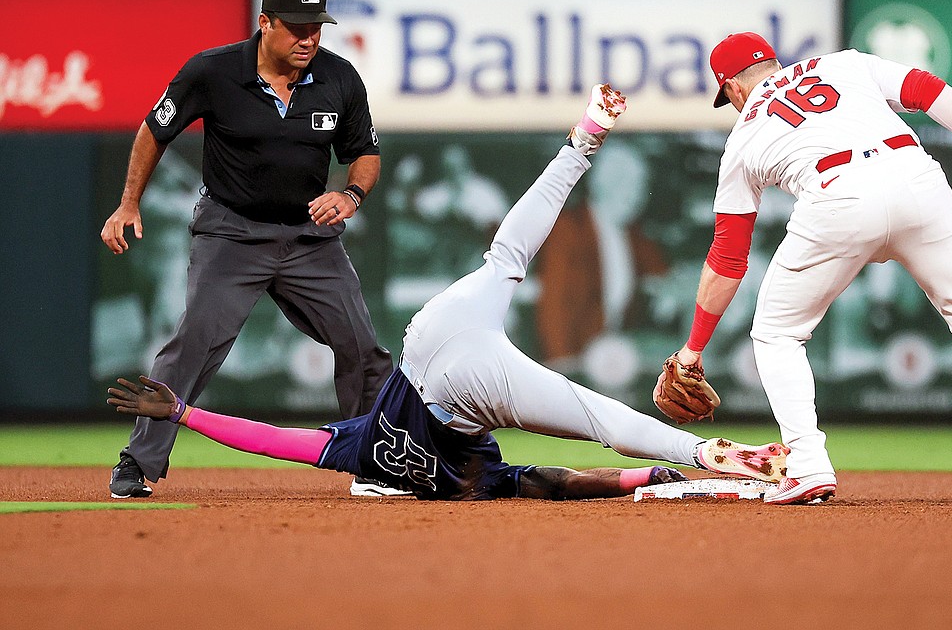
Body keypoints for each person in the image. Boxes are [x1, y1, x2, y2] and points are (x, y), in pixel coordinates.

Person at [107, 85, 787, 501]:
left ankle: (703, 452)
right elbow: (277, 440)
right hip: (426, 340)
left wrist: (669, 473)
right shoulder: (362, 448)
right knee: (505, 257)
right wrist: (185, 414)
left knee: (598, 419)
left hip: (460, 385)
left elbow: (562, 480)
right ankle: (582, 143)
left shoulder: (457, 478)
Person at [668, 32, 952, 507]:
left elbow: (728, 256)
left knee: (776, 333)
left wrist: (692, 349)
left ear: (733, 88)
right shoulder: (843, 64)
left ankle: (807, 466)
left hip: (836, 194)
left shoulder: (742, 140)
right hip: (915, 176)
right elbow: (929, 90)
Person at [101, 0, 396, 499]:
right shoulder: (213, 71)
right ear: (265, 23)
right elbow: (154, 130)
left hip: (310, 239)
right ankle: (138, 462)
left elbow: (365, 155)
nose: (309, 38)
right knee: (192, 345)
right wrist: (128, 203)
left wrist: (350, 196)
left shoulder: (340, 77)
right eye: (297, 27)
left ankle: (376, 461)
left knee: (361, 347)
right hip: (231, 233)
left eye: (317, 27)